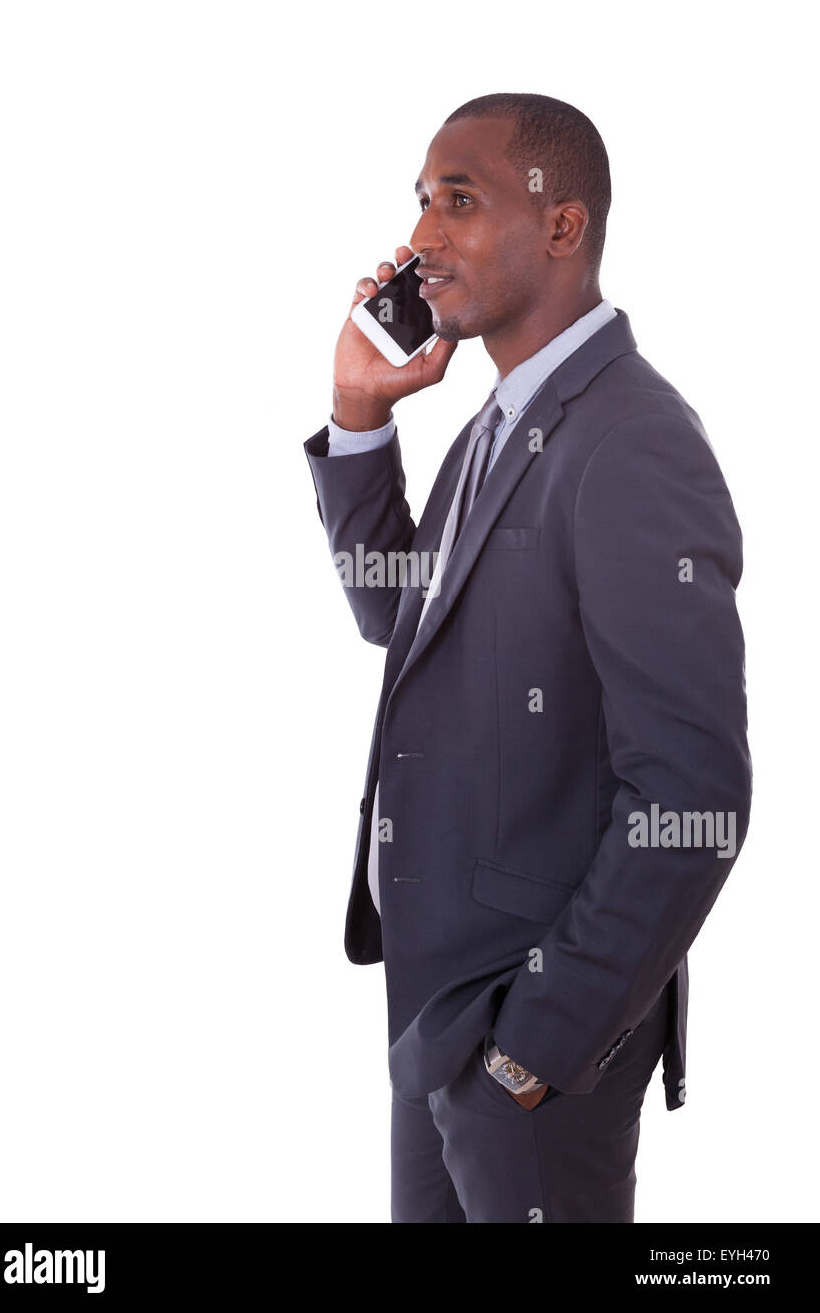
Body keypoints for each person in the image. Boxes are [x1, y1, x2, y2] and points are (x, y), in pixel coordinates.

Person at [303, 93, 751, 1223]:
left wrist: (534, 1049)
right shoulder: (494, 427)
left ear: (562, 225)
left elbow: (694, 794)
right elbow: (394, 613)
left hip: (534, 1043)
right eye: (420, 202)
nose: (420, 237)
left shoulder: (634, 442)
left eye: (459, 200)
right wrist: (359, 413)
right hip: (438, 1014)